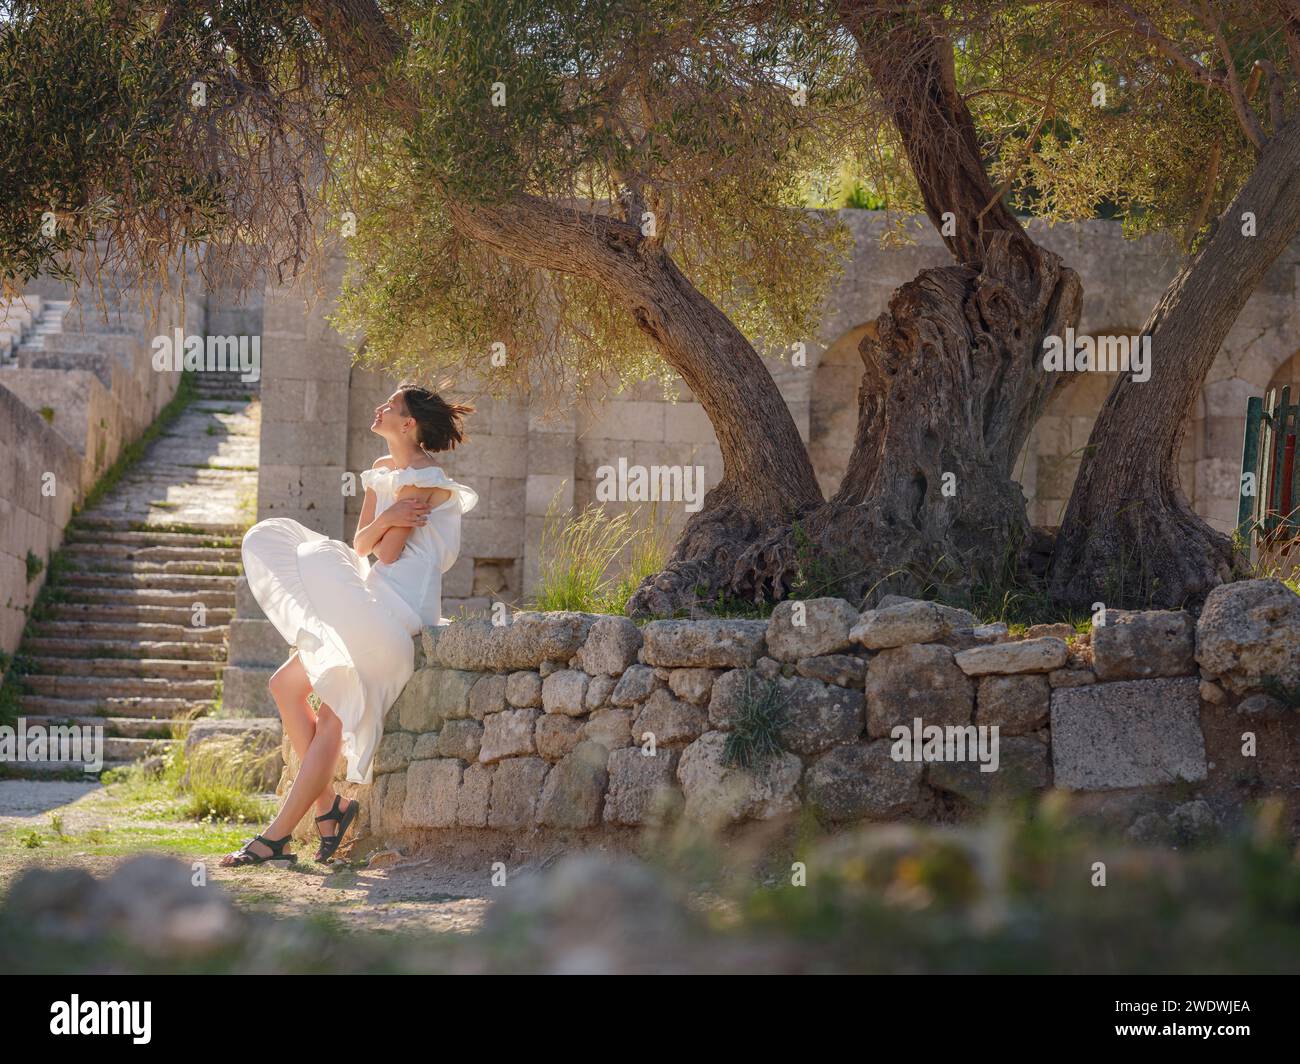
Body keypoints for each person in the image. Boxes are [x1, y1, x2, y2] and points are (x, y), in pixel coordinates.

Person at [219, 383, 477, 866]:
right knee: (284, 686)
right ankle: (329, 808)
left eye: (392, 407)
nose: (379, 408)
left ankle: (276, 838)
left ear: (408, 425)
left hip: (401, 607)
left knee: (335, 709)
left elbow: (391, 552)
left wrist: (393, 518)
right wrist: (391, 514)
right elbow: (361, 546)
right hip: (370, 594)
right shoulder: (382, 472)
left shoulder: (428, 478)